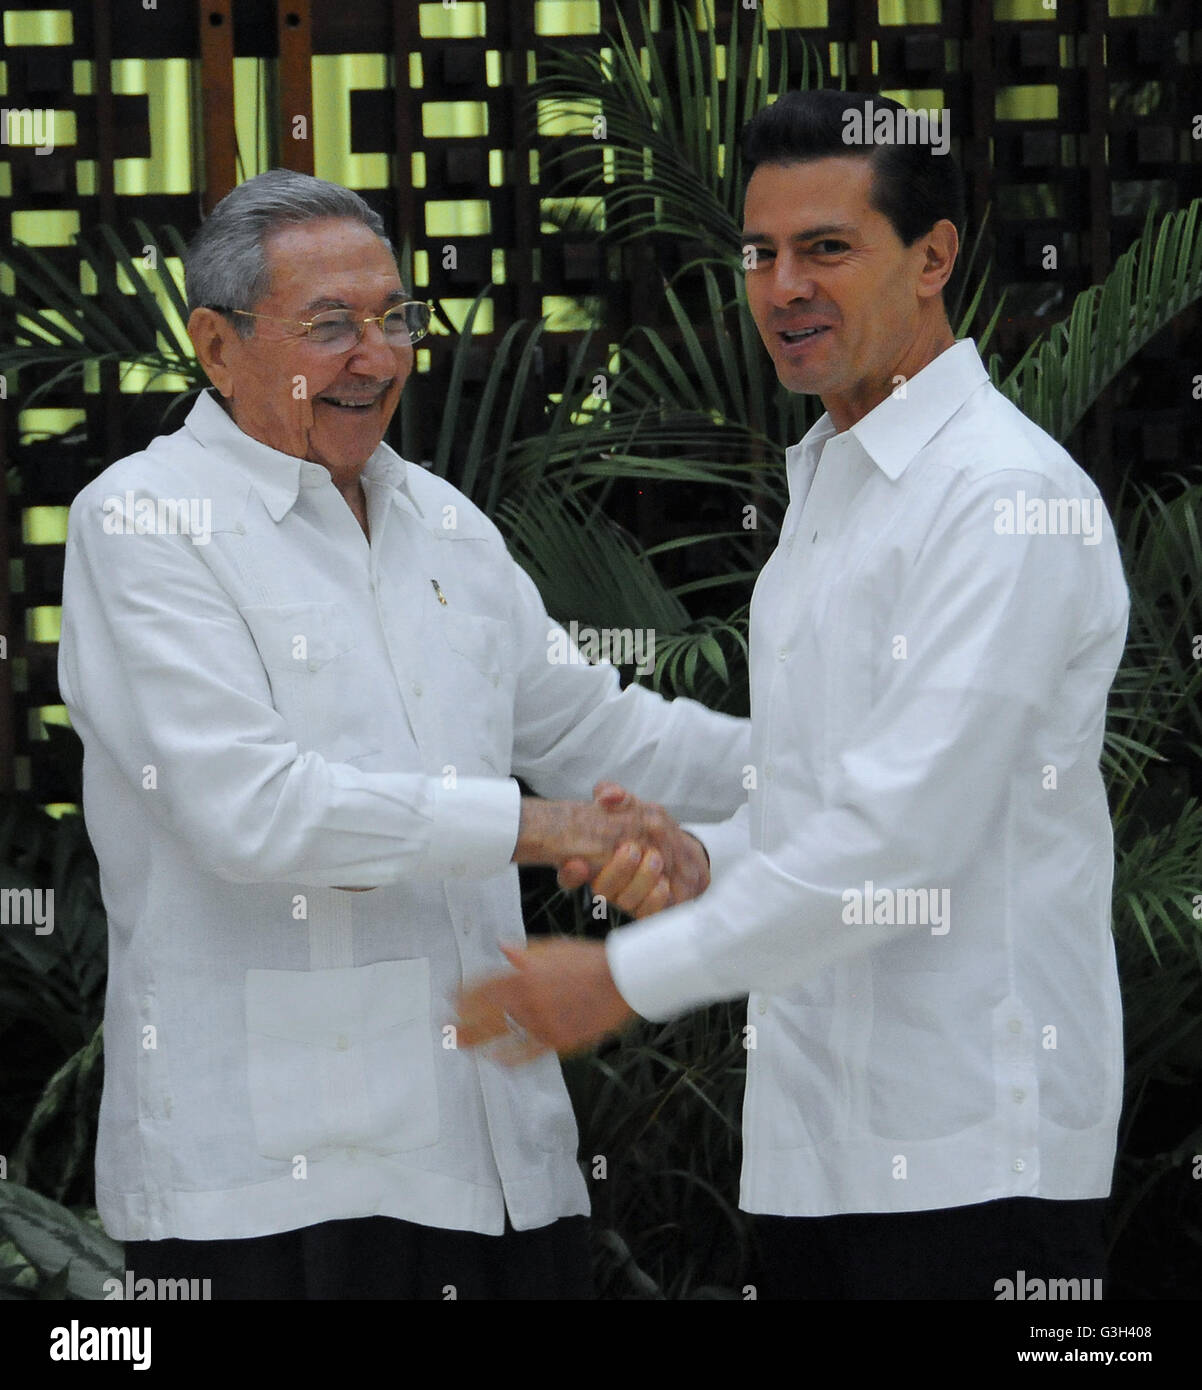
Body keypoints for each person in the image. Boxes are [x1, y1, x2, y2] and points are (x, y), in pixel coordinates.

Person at [457, 90, 1131, 1300]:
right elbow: (829, 795)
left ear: (932, 258)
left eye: (825, 248)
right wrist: (706, 858)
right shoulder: (829, 487)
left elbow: (898, 841)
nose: (780, 288)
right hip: (817, 1155)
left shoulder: (1001, 502)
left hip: (975, 1165)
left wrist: (616, 980)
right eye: (759, 254)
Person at [56, 168, 750, 1300]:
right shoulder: (142, 521)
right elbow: (254, 809)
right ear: (215, 346)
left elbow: (601, 732)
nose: (373, 358)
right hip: (272, 1184)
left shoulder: (444, 523)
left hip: (503, 1163)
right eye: (329, 326)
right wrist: (540, 829)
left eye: (394, 319)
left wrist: (834, 762)